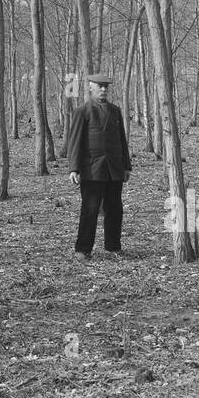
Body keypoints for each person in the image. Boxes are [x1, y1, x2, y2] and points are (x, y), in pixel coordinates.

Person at [67, 74, 131, 260]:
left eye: (106, 87)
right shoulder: (82, 111)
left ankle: (113, 246)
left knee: (115, 209)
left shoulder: (115, 111)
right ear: (90, 88)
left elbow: (121, 141)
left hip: (114, 169)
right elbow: (75, 141)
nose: (103, 90)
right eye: (100, 86)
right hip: (92, 169)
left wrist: (126, 166)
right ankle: (83, 249)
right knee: (90, 209)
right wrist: (74, 168)